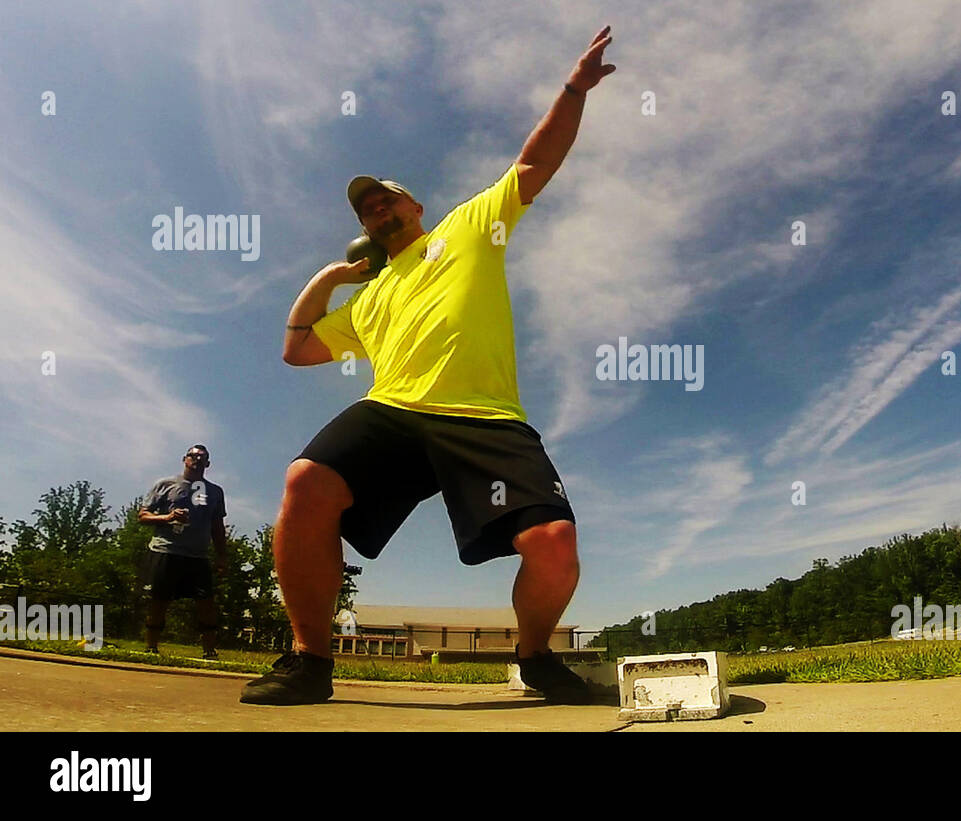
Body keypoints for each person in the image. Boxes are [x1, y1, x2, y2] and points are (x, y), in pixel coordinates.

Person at [240, 26, 617, 705]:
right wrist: (329, 278)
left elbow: (535, 164)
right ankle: (309, 660)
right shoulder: (369, 295)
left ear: (415, 205)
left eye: (384, 197)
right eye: (364, 207)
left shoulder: (467, 228)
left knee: (554, 542)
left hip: (484, 415)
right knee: (306, 483)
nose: (375, 208)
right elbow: (295, 347)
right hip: (395, 412)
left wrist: (573, 90)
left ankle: (536, 657)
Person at [138, 445, 229, 659]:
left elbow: (217, 526)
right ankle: (151, 648)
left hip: (198, 556)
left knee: (206, 602)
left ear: (207, 464)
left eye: (202, 457)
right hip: (166, 551)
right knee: (159, 600)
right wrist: (167, 517)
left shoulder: (215, 492)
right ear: (184, 459)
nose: (197, 459)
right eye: (193, 456)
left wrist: (222, 556)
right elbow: (142, 516)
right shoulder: (165, 484)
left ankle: (209, 652)